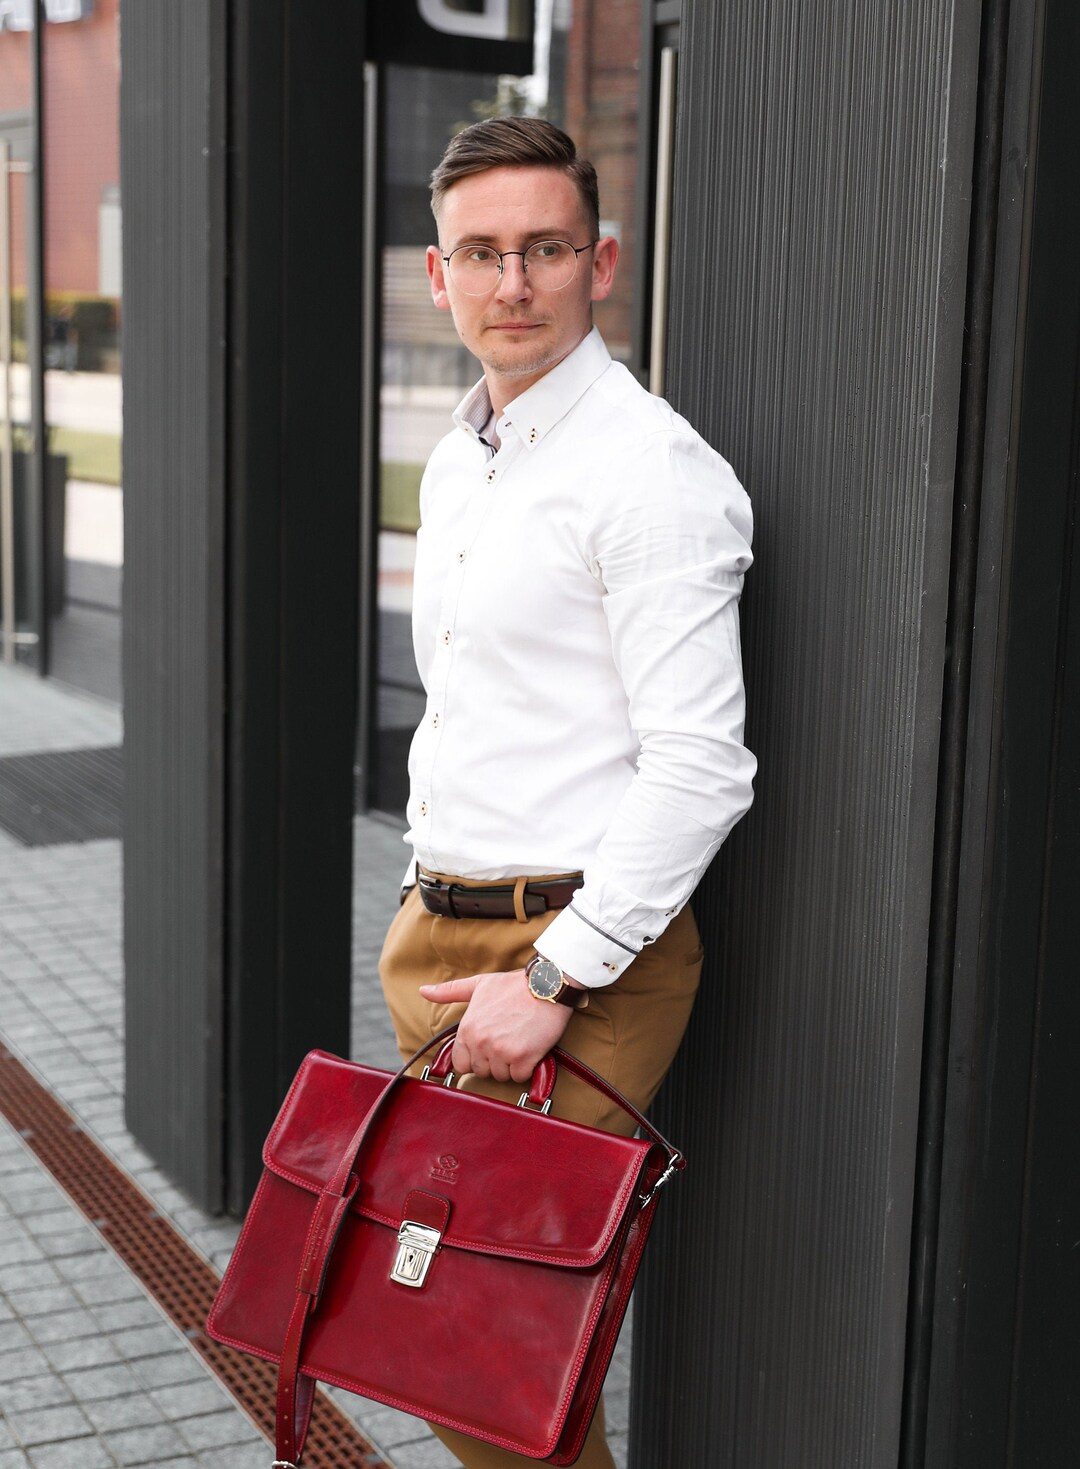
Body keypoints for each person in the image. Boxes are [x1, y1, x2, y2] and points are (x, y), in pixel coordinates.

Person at [378, 116, 755, 1469]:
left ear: (600, 261)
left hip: (575, 961)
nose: (513, 281)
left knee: (469, 1352)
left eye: (543, 247)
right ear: (439, 275)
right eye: (482, 252)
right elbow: (475, 700)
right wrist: (421, 894)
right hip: (442, 943)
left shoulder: (649, 472)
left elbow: (702, 766)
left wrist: (547, 979)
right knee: (454, 1326)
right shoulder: (462, 455)